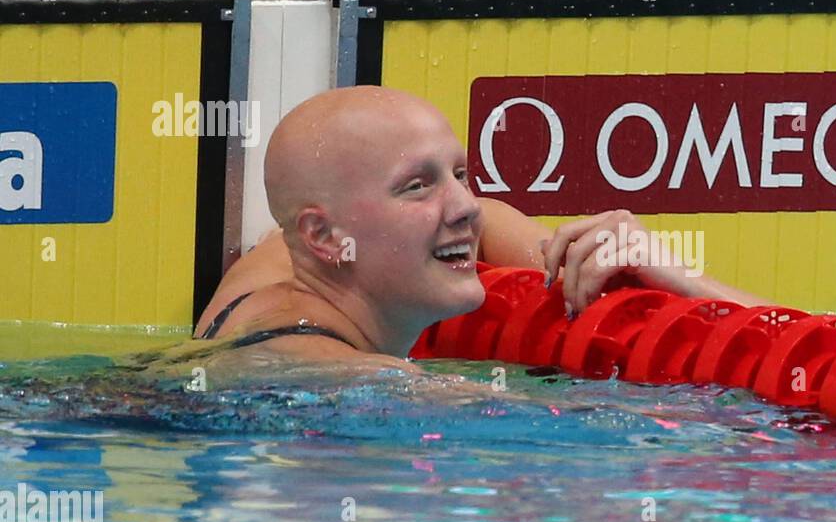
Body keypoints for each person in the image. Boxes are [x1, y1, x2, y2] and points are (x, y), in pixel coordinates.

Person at [193, 86, 757, 365]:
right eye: (417, 186)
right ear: (322, 237)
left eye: (461, 174)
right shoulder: (322, 373)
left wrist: (678, 279)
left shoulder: (280, 261)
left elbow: (769, 340)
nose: (465, 206)